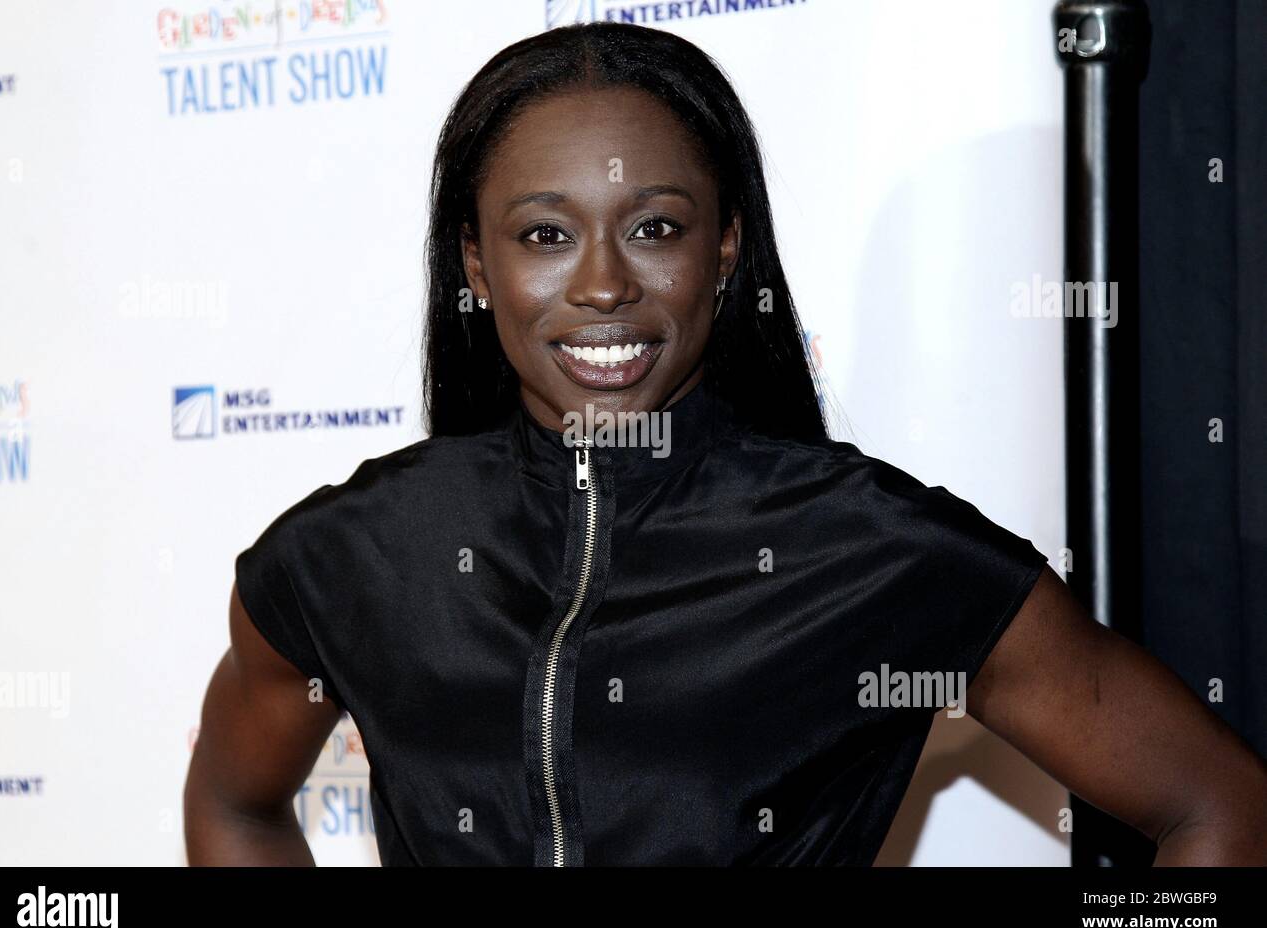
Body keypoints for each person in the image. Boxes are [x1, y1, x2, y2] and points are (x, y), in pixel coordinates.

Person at [183, 21, 1267, 866]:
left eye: (655, 226)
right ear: (476, 265)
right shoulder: (354, 554)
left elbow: (1214, 803)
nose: (604, 282)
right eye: (544, 234)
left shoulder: (869, 552)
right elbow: (236, 798)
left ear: (725, 250)